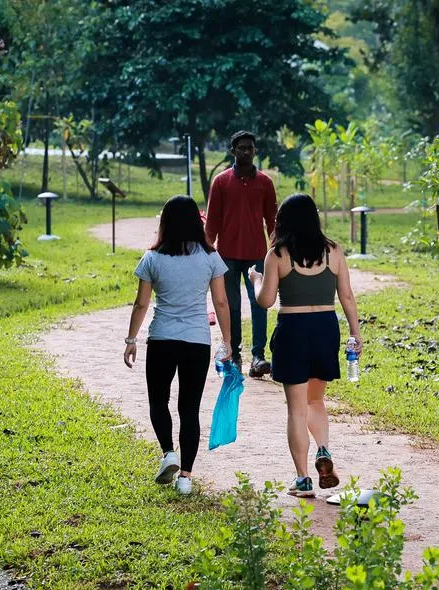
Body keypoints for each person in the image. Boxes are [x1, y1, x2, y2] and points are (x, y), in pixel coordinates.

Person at [252, 193, 362, 498]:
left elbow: (266, 300)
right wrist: (356, 333)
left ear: (282, 221)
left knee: (296, 410)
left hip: (294, 330)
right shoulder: (334, 251)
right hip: (326, 329)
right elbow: (348, 297)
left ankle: (302, 480)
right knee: (316, 401)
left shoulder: (277, 255)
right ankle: (323, 448)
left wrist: (256, 280)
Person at [124, 195, 232, 495]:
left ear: (165, 223)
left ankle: (168, 452)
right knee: (189, 409)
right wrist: (227, 341)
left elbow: (141, 304)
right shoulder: (210, 257)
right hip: (197, 342)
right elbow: (221, 302)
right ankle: (185, 477)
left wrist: (131, 340)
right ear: (198, 222)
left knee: (158, 401)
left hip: (162, 339)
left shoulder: (152, 258)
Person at [204, 130, 278, 379]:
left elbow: (273, 221)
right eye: (242, 148)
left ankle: (258, 356)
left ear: (255, 151)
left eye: (250, 148)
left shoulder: (265, 183)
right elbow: (212, 221)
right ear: (232, 150)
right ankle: (234, 354)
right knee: (230, 305)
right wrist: (205, 251)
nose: (246, 151)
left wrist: (277, 249)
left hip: (257, 253)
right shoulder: (221, 182)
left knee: (260, 303)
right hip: (226, 255)